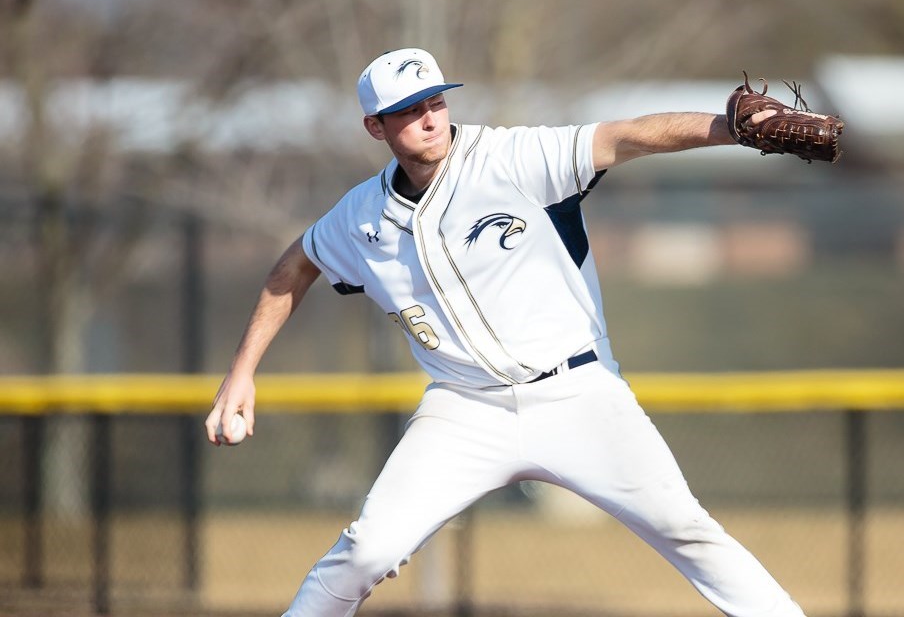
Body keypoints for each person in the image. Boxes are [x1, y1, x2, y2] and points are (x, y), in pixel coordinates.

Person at [205, 48, 813, 617]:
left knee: (690, 532)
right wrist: (241, 373)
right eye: (408, 111)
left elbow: (626, 136)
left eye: (435, 101)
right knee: (367, 551)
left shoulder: (513, 158)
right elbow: (294, 267)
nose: (428, 118)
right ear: (376, 128)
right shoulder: (361, 216)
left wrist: (727, 127)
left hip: (579, 394)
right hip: (465, 410)